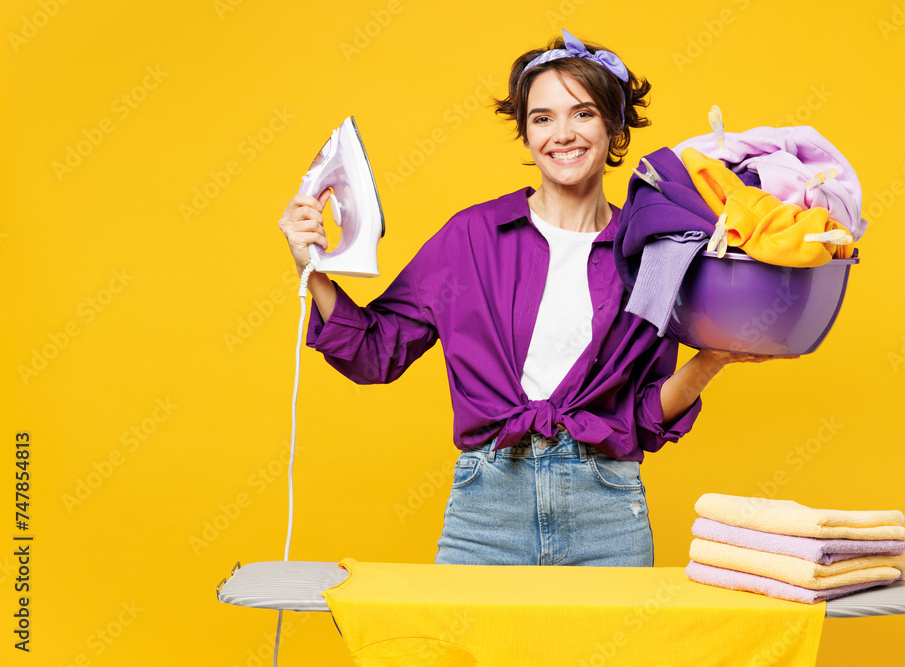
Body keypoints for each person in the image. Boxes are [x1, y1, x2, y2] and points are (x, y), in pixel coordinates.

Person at [277, 30, 784, 568]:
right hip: (485, 515)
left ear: (613, 127)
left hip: (607, 516)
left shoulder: (651, 254)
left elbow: (642, 415)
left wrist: (712, 360)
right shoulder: (471, 237)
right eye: (542, 118)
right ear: (525, 133)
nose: (562, 134)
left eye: (582, 113)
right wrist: (310, 266)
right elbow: (374, 353)